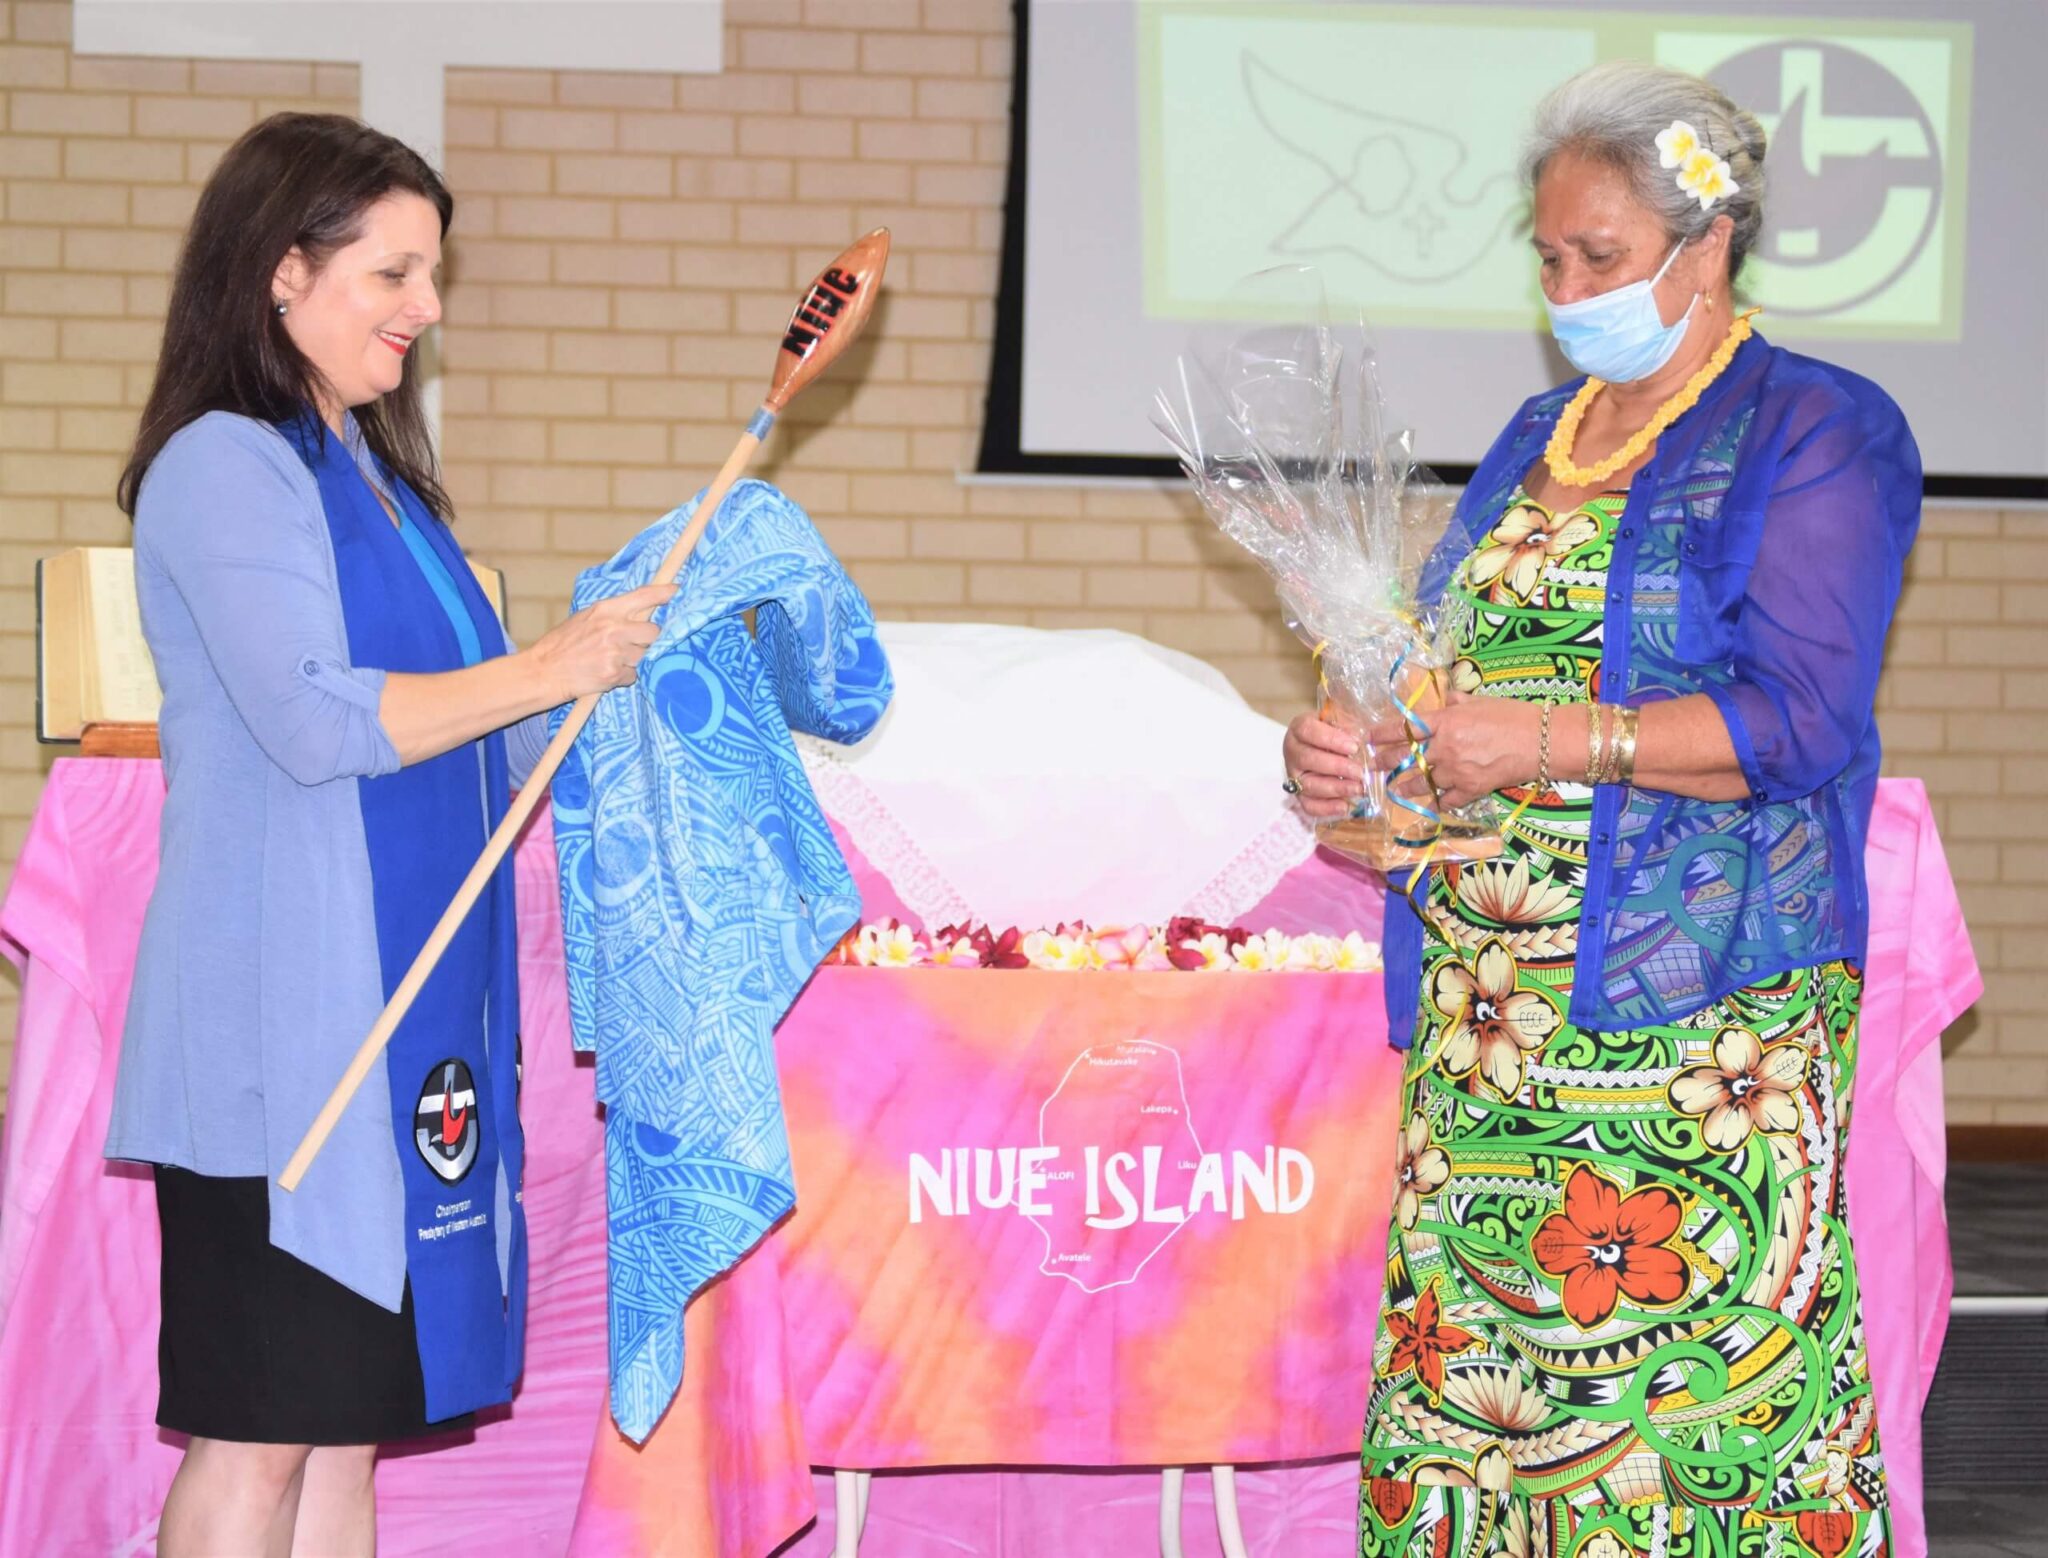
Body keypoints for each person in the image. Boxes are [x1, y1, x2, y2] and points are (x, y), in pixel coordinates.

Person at [1282, 63, 1918, 1558]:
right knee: (1482, 1412)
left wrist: (1551, 736)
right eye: (1550, 256)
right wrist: (1370, 752)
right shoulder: (1536, 433)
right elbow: (1456, 691)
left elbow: (1802, 720)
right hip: (1491, 1021)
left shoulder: (1815, 427)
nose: (1569, 287)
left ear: (1707, 244)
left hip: (1691, 1021)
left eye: (1603, 258)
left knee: (1680, 1438)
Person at [106, 113, 672, 1556]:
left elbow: (471, 735)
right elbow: (318, 721)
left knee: (342, 1434)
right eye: (395, 273)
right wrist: (549, 662)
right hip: (278, 1050)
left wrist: (630, 677)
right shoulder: (225, 465)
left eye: (432, 275)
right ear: (285, 272)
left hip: (396, 1033)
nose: (426, 308)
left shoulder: (377, 483)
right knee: (257, 1438)